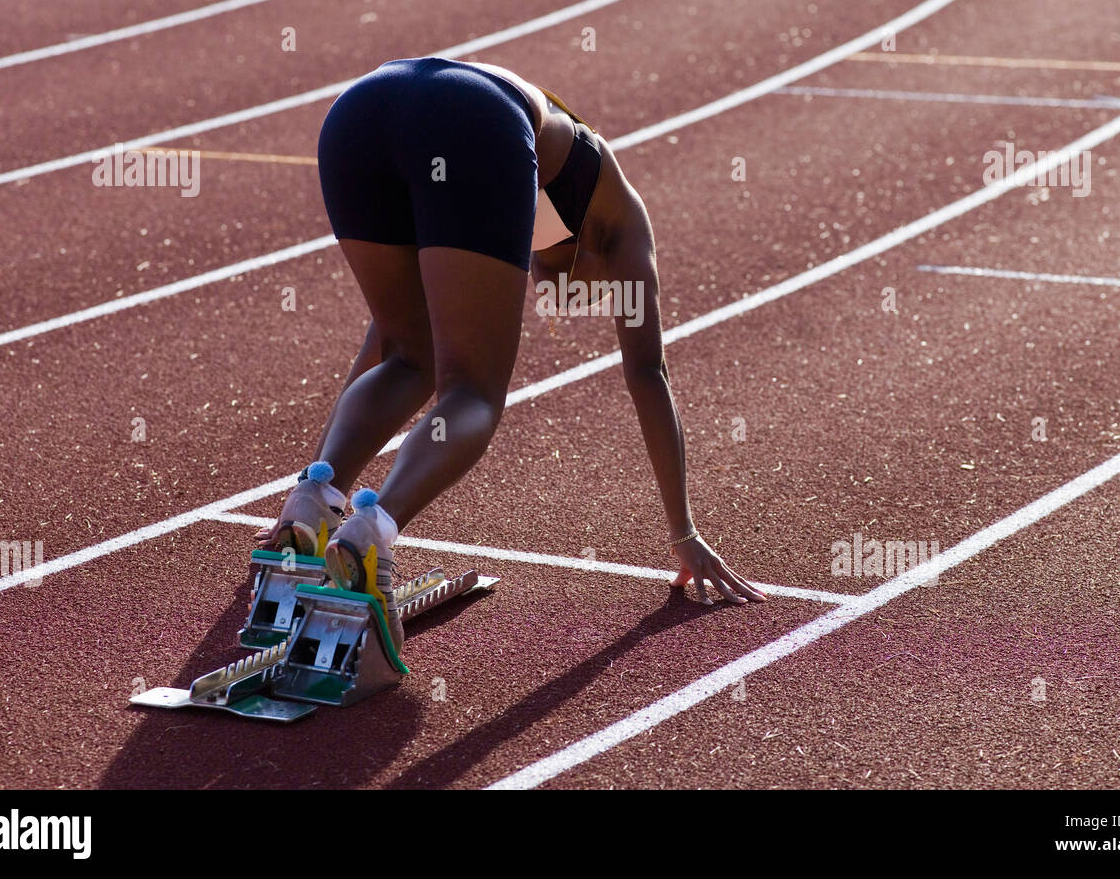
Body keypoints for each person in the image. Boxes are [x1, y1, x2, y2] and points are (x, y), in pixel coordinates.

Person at [256, 56, 766, 653]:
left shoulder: (539, 200)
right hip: (467, 118)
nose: (571, 301)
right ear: (598, 263)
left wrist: (319, 483)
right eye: (588, 292)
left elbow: (384, 344)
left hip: (363, 109)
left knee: (408, 354)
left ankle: (313, 508)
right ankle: (372, 533)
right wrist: (684, 531)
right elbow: (648, 375)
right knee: (471, 390)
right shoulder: (623, 228)